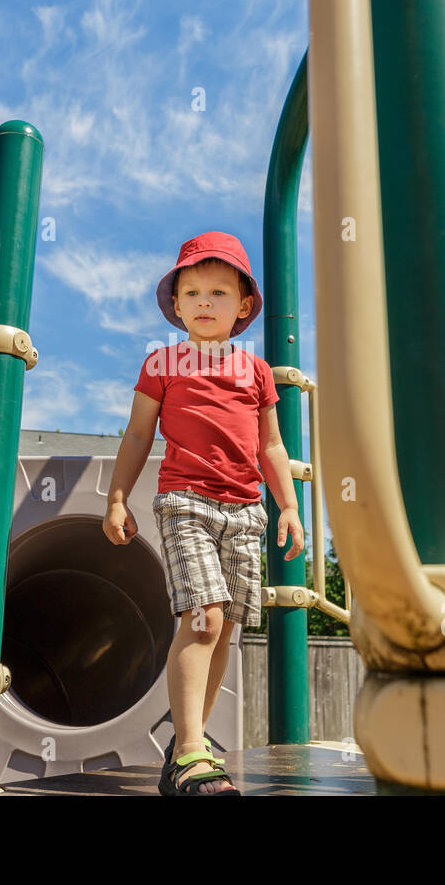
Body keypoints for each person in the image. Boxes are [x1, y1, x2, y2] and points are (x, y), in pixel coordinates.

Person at [102, 230, 304, 795]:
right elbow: (139, 433)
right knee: (203, 617)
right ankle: (192, 747)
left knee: (226, 627)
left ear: (243, 306)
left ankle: (187, 744)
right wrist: (118, 496)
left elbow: (271, 447)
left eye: (218, 292)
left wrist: (287, 506)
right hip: (185, 500)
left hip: (245, 508)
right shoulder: (162, 363)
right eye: (191, 292)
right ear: (176, 305)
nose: (204, 302)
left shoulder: (256, 372)